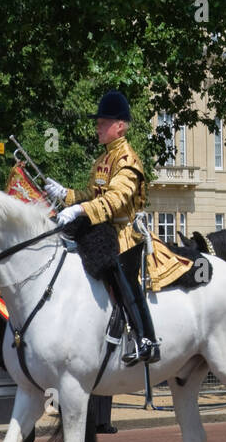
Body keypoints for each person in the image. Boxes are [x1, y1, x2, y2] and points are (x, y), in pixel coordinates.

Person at [45, 90, 159, 367]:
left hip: (124, 235)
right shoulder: (103, 159)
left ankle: (146, 339)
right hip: (103, 230)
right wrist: (67, 195)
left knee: (122, 272)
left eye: (103, 122)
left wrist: (80, 210)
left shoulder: (127, 161)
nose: (97, 126)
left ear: (120, 125)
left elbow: (116, 201)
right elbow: (92, 194)